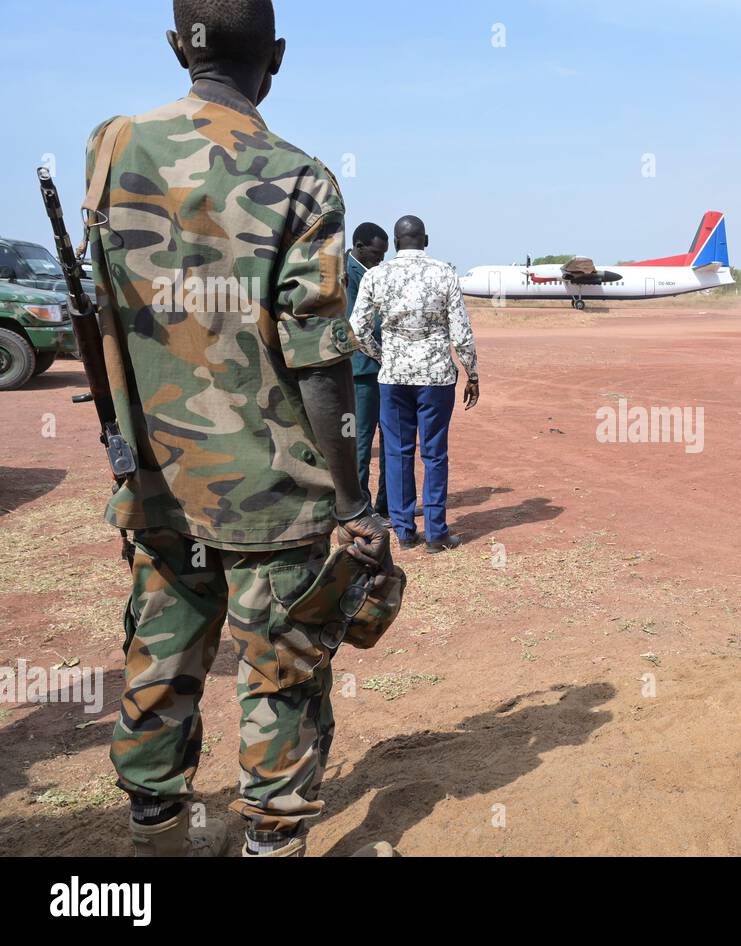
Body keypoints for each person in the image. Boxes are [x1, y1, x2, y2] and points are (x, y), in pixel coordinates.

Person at [87, 0, 391, 857]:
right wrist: (352, 498)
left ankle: (154, 838)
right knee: (282, 682)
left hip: (157, 488)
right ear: (278, 58)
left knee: (160, 667)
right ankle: (271, 841)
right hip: (275, 499)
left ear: (177, 45)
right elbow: (320, 363)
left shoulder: (110, 148)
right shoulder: (301, 179)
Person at [351, 215, 480, 553]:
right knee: (435, 453)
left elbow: (358, 329)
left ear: (394, 243)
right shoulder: (444, 273)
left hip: (393, 379)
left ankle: (405, 533)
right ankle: (437, 534)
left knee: (396, 453)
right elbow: (461, 332)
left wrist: (381, 356)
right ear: (426, 239)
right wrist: (472, 372)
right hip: (436, 377)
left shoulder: (376, 275)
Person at [347, 222, 391, 526]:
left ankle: (388, 504)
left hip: (386, 371)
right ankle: (361, 507)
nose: (380, 260)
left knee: (391, 440)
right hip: (361, 370)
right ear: (359, 246)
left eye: (384, 255)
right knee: (361, 443)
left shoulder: (374, 272)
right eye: (376, 254)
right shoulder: (344, 273)